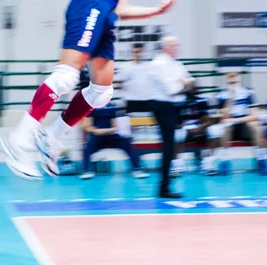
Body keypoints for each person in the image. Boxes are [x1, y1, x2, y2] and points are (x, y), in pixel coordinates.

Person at [0, 0, 183, 180]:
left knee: (102, 91)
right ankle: (20, 139)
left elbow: (123, 9)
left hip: (107, 13)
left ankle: (53, 137)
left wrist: (159, 9)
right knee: (67, 75)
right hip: (90, 1)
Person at [148, 35, 194, 198]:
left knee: (172, 144)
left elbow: (192, 82)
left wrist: (184, 83)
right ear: (165, 47)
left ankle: (165, 184)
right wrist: (184, 83)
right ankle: (163, 187)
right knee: (168, 146)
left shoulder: (176, 63)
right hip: (163, 107)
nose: (177, 48)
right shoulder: (158, 64)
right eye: (174, 45)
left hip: (174, 107)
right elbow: (172, 89)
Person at [80, 102, 149, 180]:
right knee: (87, 149)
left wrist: (109, 130)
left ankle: (137, 169)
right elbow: (88, 126)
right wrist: (96, 131)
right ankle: (87, 170)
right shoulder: (92, 106)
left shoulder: (111, 106)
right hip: (97, 136)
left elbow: (114, 126)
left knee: (127, 144)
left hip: (111, 135)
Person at [217, 72, 262, 173]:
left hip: (243, 123)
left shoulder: (248, 93)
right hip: (230, 126)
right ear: (227, 83)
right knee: (225, 127)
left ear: (239, 81)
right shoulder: (222, 95)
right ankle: (225, 160)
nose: (233, 85)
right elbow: (224, 117)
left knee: (254, 125)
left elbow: (255, 115)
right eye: (231, 83)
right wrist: (231, 99)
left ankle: (262, 159)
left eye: (235, 82)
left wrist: (236, 120)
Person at [118, 43, 154, 113]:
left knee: (149, 123)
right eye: (135, 52)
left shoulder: (150, 66)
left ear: (144, 52)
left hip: (148, 100)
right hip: (132, 101)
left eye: (140, 52)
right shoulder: (125, 67)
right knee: (132, 122)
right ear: (132, 53)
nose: (138, 54)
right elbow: (120, 83)